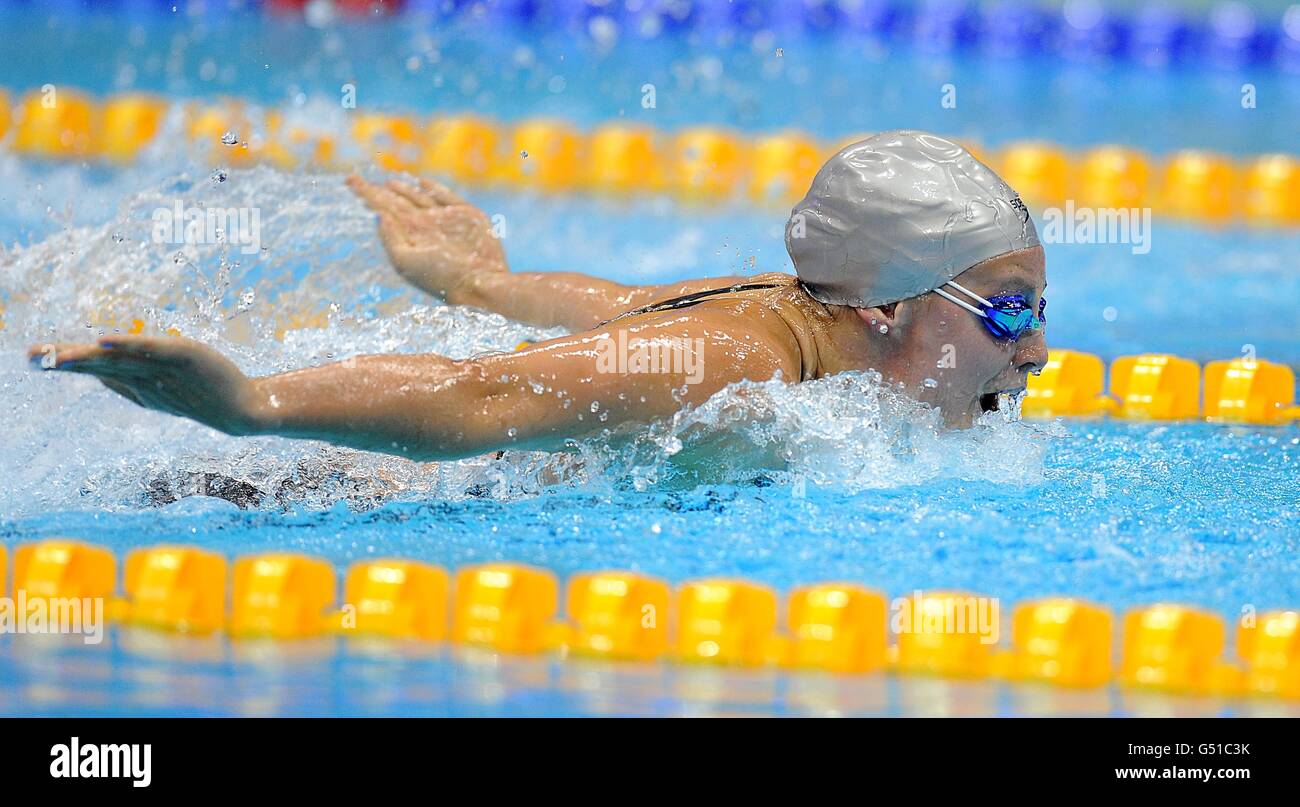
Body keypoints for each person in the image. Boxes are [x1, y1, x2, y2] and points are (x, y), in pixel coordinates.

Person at [28, 130, 1048, 461]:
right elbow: (480, 395)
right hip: (345, 496)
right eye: (1006, 310)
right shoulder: (747, 359)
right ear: (890, 305)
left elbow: (618, 307)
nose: (1035, 351)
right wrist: (252, 408)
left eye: (1035, 308)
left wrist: (481, 282)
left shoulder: (793, 309)